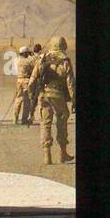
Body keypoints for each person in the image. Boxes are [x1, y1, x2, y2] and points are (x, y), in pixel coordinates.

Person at [30, 36, 75, 165]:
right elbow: (70, 82)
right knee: (62, 121)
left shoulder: (42, 59)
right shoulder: (64, 61)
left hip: (43, 95)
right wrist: (74, 100)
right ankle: (62, 153)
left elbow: (33, 79)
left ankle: (47, 156)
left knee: (45, 123)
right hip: (57, 94)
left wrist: (31, 94)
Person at [12, 46, 35, 125]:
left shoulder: (16, 60)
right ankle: (24, 119)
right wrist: (32, 55)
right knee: (27, 101)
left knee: (18, 100)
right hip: (26, 80)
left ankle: (15, 118)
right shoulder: (28, 61)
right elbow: (33, 69)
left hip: (19, 80)